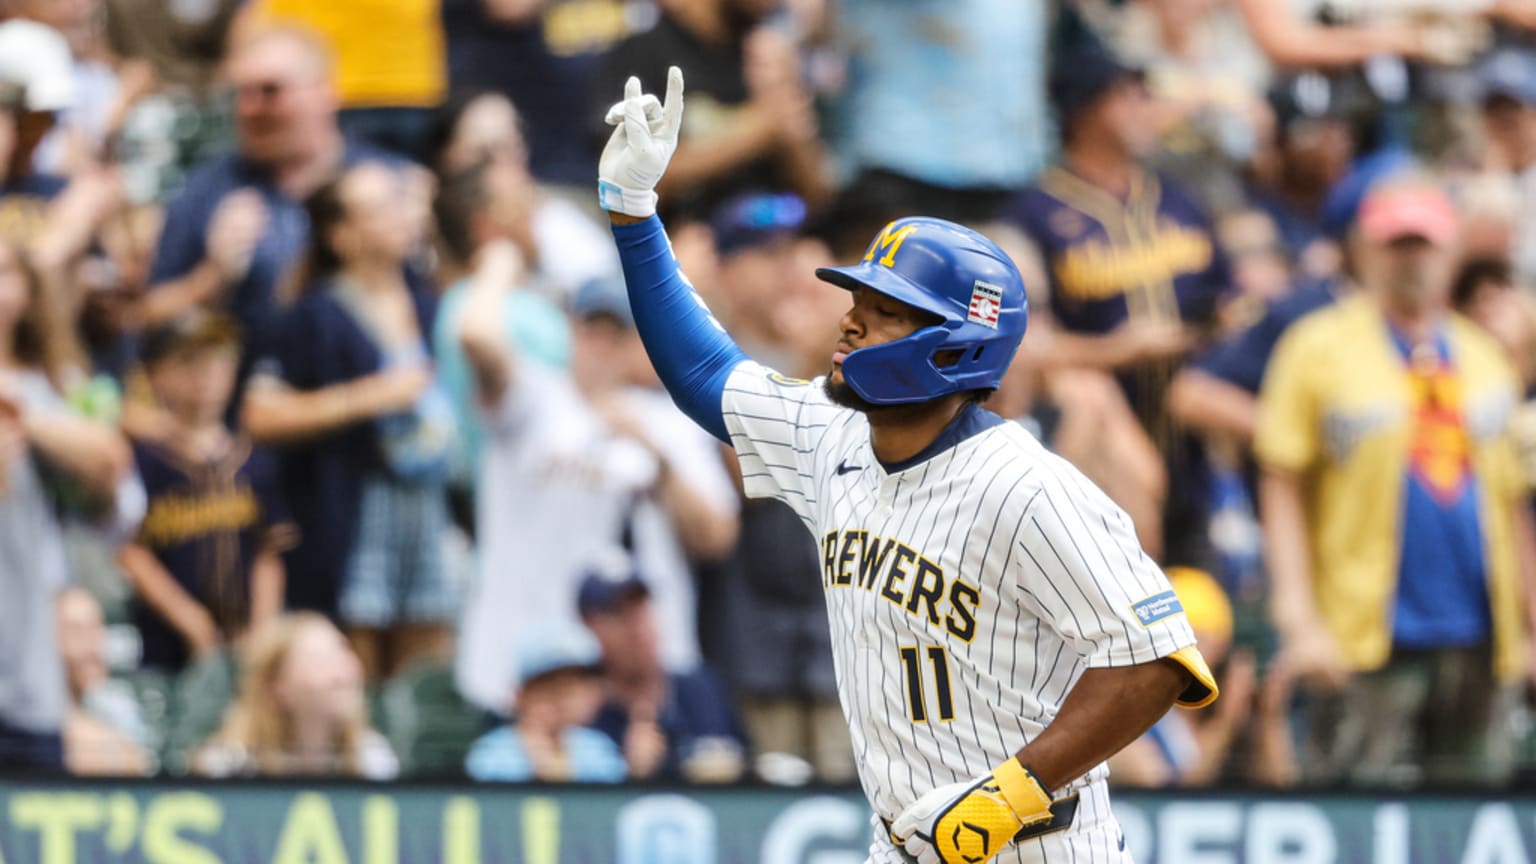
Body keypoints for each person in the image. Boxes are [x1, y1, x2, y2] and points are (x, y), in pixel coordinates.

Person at [599, 68, 1216, 863]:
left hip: (1038, 849)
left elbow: (1154, 662)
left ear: (955, 347)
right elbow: (705, 374)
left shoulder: (1026, 488)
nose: (848, 324)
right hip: (905, 844)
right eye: (857, 304)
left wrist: (1006, 798)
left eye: (882, 314)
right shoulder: (831, 437)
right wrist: (634, 214)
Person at [1256, 179, 1536, 786]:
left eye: (1426, 243)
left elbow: (1513, 504)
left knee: (1470, 816)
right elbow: (1281, 485)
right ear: (1364, 250)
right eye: (1397, 243)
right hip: (1364, 633)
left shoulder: (1483, 355)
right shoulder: (1316, 347)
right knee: (1357, 812)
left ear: (1451, 251)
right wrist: (1300, 618)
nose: (1413, 258)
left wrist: (1532, 624)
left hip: (1481, 636)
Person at [454, 270, 738, 713]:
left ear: (638, 343)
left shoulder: (671, 421)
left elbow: (717, 537)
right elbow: (474, 336)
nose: (601, 344)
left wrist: (655, 457)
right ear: (569, 330)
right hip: (533, 666)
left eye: (616, 333)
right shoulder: (533, 399)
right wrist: (500, 258)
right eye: (591, 329)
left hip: (648, 672)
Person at [1001, 41, 1231, 567]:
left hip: (1194, 457)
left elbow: (1230, 295)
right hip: (1096, 463)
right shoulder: (1032, 214)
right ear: (1084, 106)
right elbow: (1022, 348)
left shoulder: (1179, 198)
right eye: (1128, 93)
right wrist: (1114, 351)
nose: (1145, 106)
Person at [243, 161, 455, 680]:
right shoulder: (313, 315)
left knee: (424, 678)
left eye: (401, 200)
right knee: (357, 671)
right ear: (341, 235)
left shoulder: (429, 304)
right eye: (381, 207)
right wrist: (373, 396)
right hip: (353, 519)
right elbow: (260, 414)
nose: (402, 216)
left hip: (428, 513)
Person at [141, 22, 403, 363]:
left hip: (376, 398)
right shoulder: (204, 192)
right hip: (247, 400)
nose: (250, 108)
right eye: (240, 94)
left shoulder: (391, 181)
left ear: (326, 91)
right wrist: (210, 278)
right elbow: (146, 319)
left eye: (270, 91)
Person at [0, 236, 131, 773]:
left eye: (7, 271)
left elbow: (110, 464)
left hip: (27, 663)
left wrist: (23, 418)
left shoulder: (56, 383)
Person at [118, 312, 294, 673]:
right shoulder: (143, 459)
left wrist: (262, 631)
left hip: (244, 642)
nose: (207, 373)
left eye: (219, 359)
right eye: (188, 361)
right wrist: (187, 618)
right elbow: (129, 549)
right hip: (168, 647)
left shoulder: (253, 458)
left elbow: (269, 550)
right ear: (154, 375)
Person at [592, 0, 830, 213]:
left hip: (773, 234)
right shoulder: (645, 53)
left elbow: (817, 194)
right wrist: (761, 128)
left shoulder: (766, 54)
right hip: (686, 239)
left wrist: (786, 98)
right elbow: (628, 180)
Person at [577, 556, 748, 782]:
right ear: (589, 626)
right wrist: (629, 773)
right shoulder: (583, 715)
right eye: (620, 615)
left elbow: (749, 768)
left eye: (642, 609)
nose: (638, 628)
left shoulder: (702, 689)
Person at [195, 611, 398, 778]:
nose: (343, 673)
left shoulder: (375, 760)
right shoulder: (228, 768)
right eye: (321, 660)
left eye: (344, 651)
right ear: (279, 689)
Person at [463, 623, 627, 783]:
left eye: (569, 687)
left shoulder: (597, 748)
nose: (559, 701)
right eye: (547, 689)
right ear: (521, 696)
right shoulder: (492, 753)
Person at [55, 586, 151, 776]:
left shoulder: (117, 706)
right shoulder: (26, 722)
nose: (92, 644)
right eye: (75, 630)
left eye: (97, 627)